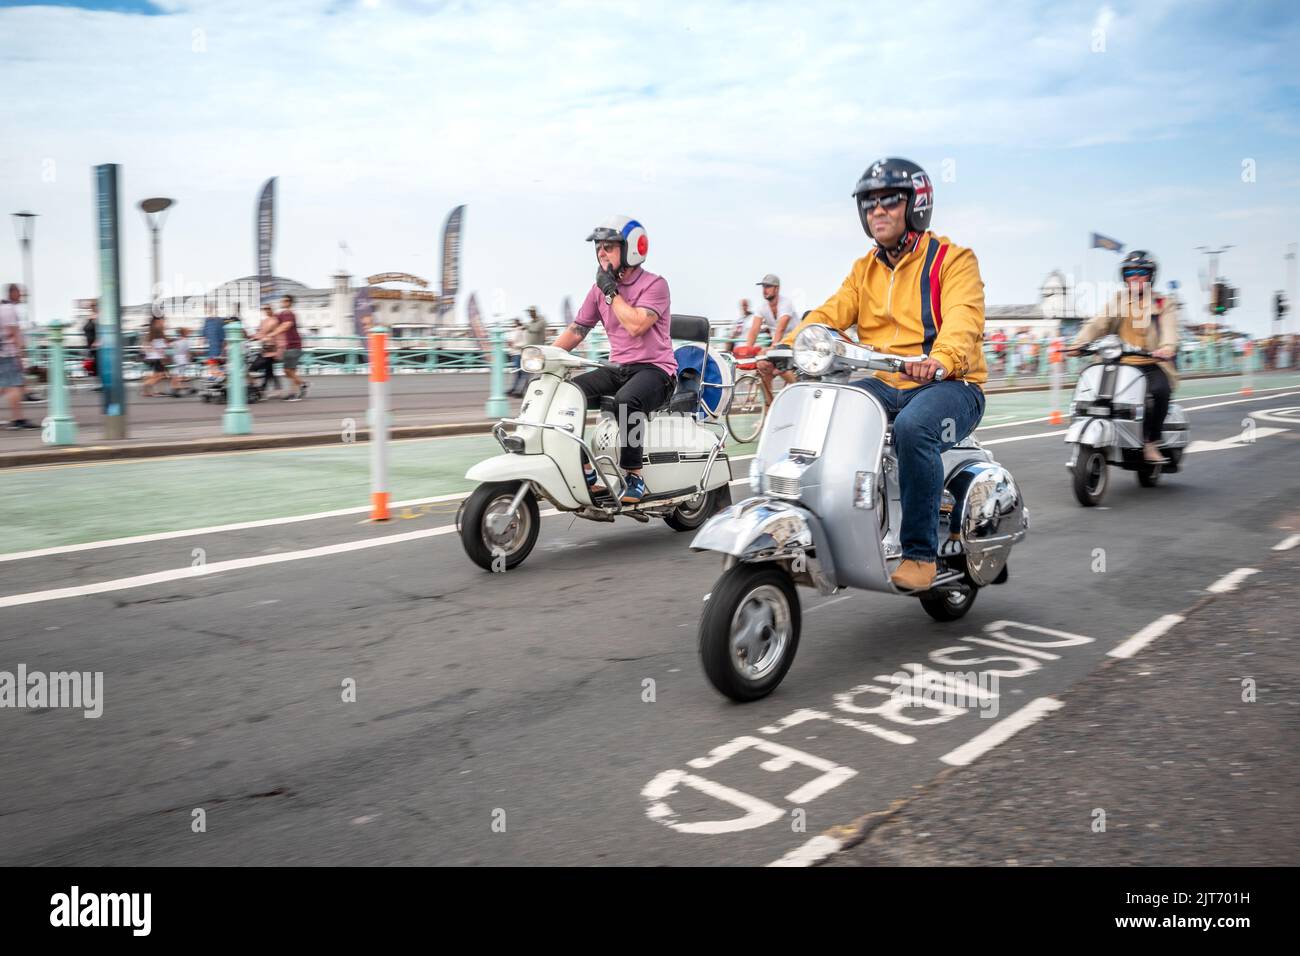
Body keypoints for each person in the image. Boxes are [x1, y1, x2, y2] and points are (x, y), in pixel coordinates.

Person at [780, 158, 988, 591]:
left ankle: (919, 554)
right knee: (830, 410)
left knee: (914, 429)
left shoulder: (952, 260)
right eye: (869, 203)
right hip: (885, 382)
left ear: (916, 204)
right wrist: (788, 345)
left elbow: (963, 321)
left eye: (889, 200)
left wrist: (941, 358)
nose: (878, 210)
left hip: (949, 385)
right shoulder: (864, 270)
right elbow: (830, 313)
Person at [551, 215, 675, 504]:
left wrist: (610, 291)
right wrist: (546, 357)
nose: (601, 253)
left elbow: (636, 325)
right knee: (568, 394)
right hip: (619, 368)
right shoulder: (598, 290)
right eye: (598, 248)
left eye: (608, 246)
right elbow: (577, 329)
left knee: (625, 400)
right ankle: (586, 468)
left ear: (631, 248)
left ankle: (634, 476)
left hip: (657, 371)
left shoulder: (655, 285)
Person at [1070, 249, 1179, 463]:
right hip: (1119, 362)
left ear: (1151, 276)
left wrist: (1166, 348)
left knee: (1161, 390)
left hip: (1150, 362)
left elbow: (1170, 330)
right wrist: (1077, 344)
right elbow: (1098, 324)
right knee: (1089, 386)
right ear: (1124, 277)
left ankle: (1150, 442)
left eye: (1141, 271)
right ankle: (1088, 432)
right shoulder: (1118, 301)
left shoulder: (1162, 303)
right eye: (1129, 272)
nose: (1135, 276)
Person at [747, 273, 798, 399]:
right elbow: (754, 330)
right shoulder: (762, 308)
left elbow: (780, 329)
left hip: (795, 343)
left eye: (768, 286)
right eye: (763, 287)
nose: (765, 290)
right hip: (780, 345)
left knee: (777, 362)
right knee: (762, 366)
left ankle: (799, 389)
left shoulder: (786, 304)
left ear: (777, 288)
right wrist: (747, 349)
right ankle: (769, 405)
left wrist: (773, 348)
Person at [1, 284, 37, 429]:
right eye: (20, 293)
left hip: (3, 352)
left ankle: (18, 418)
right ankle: (18, 419)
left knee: (5, 387)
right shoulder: (9, 310)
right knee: (13, 387)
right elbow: (14, 333)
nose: (21, 296)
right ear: (13, 293)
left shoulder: (2, 307)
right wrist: (20, 355)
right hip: (8, 353)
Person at [269, 295, 307, 401]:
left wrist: (273, 334)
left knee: (287, 370)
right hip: (287, 345)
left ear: (290, 302)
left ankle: (303, 384)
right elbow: (272, 318)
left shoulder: (289, 313)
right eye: (282, 300)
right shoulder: (282, 313)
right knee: (290, 371)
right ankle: (294, 392)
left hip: (294, 344)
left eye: (285, 301)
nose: (282, 302)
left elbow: (286, 325)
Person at [252, 304, 284, 397]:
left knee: (259, 367)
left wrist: (279, 350)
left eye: (268, 308)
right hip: (265, 349)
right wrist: (252, 337)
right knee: (269, 370)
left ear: (272, 309)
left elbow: (279, 335)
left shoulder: (275, 321)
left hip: (272, 349)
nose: (266, 310)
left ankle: (263, 389)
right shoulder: (264, 321)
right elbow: (260, 333)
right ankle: (274, 389)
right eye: (265, 309)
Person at [140, 315, 170, 397]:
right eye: (162, 320)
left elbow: (148, 343)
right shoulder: (158, 330)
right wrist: (162, 356)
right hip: (156, 357)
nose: (163, 322)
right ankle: (146, 385)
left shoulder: (152, 330)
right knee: (161, 375)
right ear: (157, 321)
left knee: (156, 375)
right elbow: (160, 345)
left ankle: (147, 391)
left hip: (152, 356)